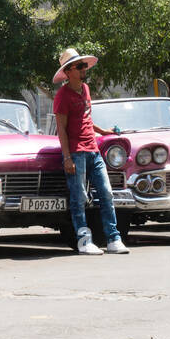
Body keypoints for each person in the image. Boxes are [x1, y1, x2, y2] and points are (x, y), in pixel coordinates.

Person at [52, 48, 129, 255]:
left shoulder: (85, 89)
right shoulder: (62, 96)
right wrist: (67, 157)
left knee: (106, 193)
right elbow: (62, 128)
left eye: (84, 65)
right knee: (79, 197)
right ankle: (84, 241)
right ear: (68, 72)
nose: (84, 69)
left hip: (93, 150)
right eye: (79, 66)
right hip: (76, 153)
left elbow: (85, 119)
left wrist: (103, 131)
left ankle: (113, 239)